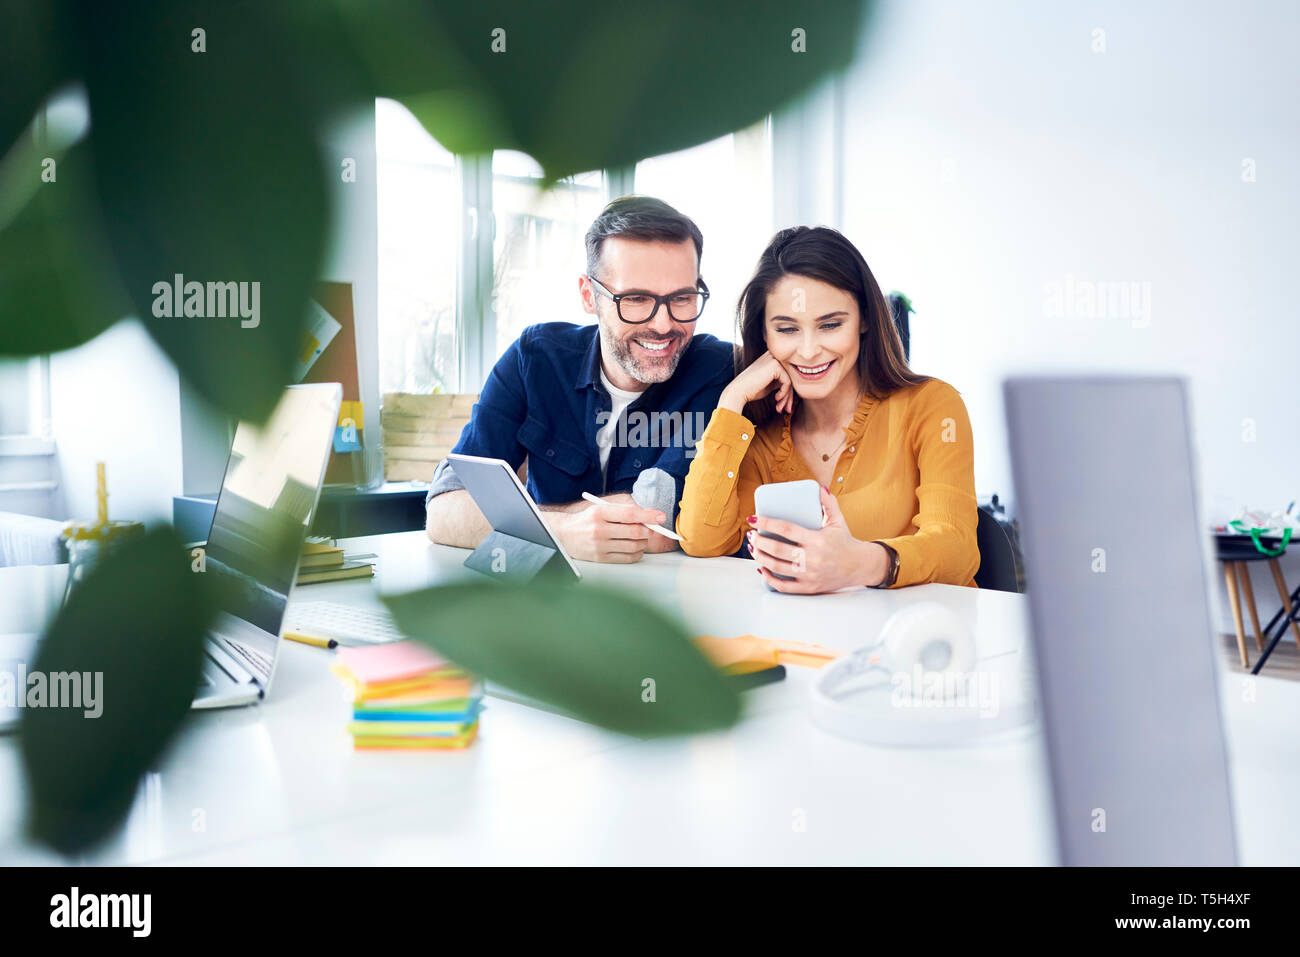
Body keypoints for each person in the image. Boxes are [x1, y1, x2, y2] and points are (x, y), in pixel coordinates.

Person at [426, 196, 734, 563]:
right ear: (589, 296)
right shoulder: (535, 358)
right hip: (547, 599)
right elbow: (444, 511)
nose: (664, 324)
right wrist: (562, 533)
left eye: (682, 298)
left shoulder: (716, 370)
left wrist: (524, 523)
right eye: (636, 299)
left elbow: (658, 522)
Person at [676, 226, 980, 591]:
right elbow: (703, 542)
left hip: (916, 640)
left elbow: (957, 549)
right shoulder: (758, 433)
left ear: (865, 319)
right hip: (801, 643)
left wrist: (861, 564)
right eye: (787, 329)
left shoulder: (932, 406)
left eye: (830, 325)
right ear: (764, 334)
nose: (808, 351)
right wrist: (732, 399)